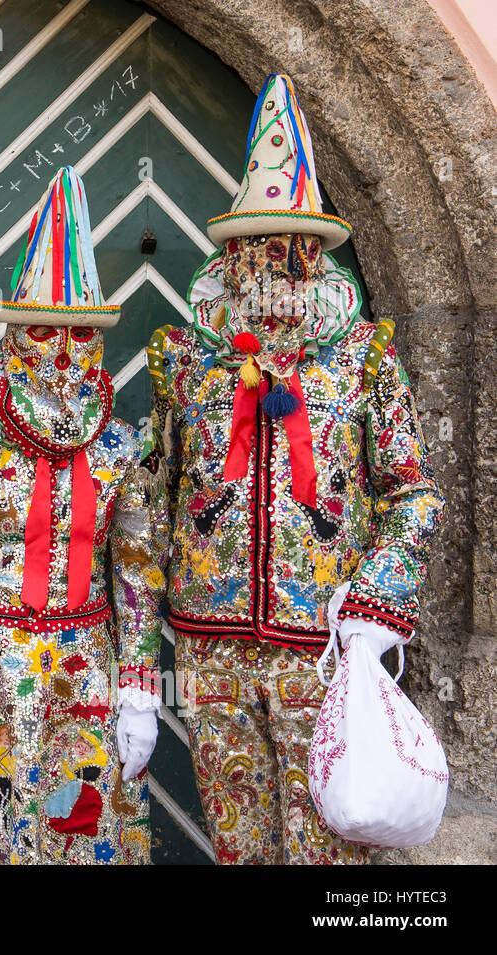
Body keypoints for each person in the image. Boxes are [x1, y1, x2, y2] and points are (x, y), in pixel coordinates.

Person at [146, 74, 445, 863]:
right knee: (238, 842)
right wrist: (141, 652)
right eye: (256, 251)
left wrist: (375, 605)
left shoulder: (364, 364)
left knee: (327, 847)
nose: (273, 270)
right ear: (230, 261)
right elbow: (152, 497)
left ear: (318, 263)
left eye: (292, 251)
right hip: (209, 647)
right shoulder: (192, 370)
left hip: (326, 646)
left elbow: (413, 496)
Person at [0, 167, 164, 864]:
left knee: (80, 829)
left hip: (86, 666)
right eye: (45, 330)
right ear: (13, 334)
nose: (63, 351)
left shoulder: (123, 448)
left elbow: (138, 575)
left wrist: (140, 687)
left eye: (80, 331)